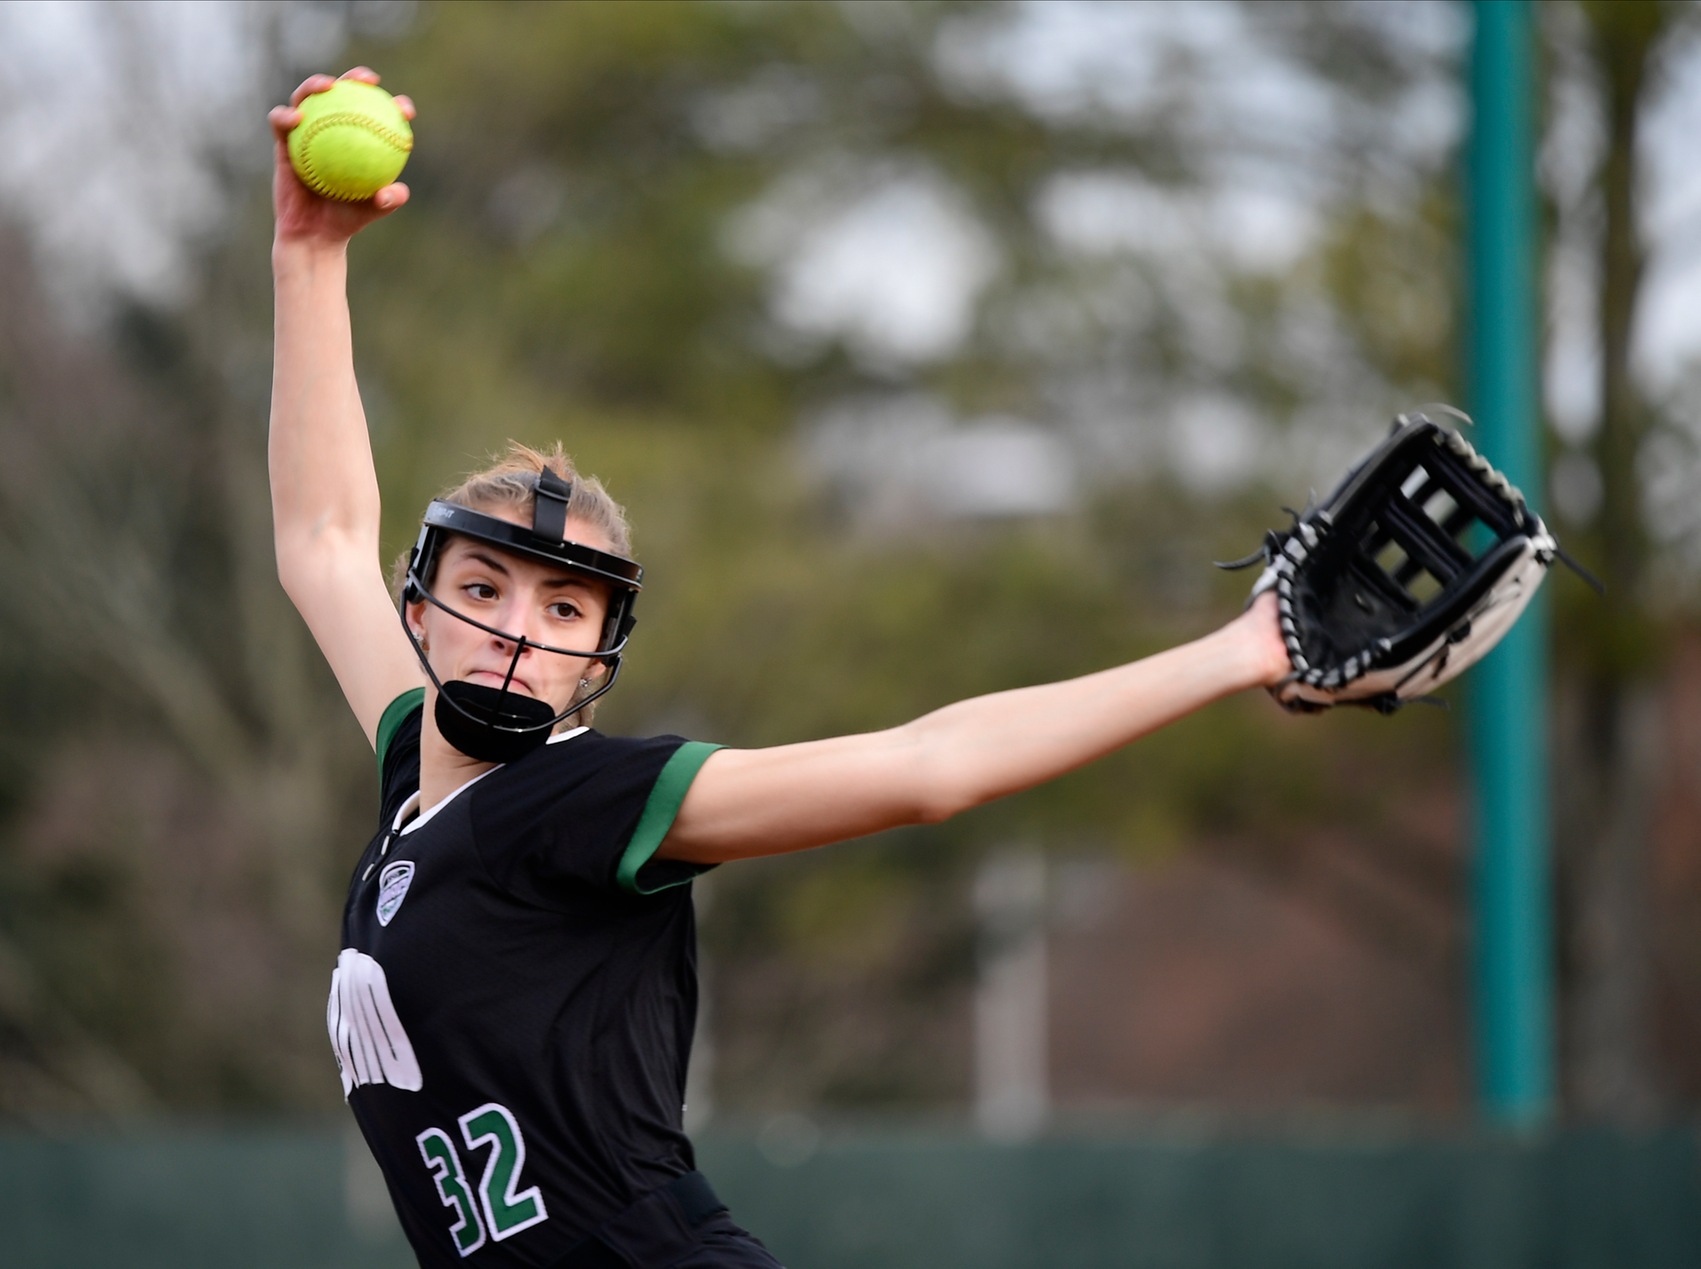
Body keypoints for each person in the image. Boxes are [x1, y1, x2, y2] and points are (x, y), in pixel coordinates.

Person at [270, 68, 1290, 1269]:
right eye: (485, 590)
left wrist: (1240, 650)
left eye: (564, 606)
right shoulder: (415, 780)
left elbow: (928, 768)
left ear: (597, 659)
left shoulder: (583, 801)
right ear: (423, 609)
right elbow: (321, 537)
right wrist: (308, 257)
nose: (516, 628)